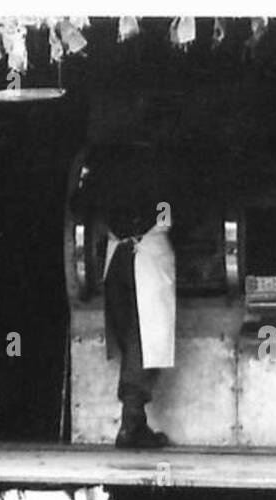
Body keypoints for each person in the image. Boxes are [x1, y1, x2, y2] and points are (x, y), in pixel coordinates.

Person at [90, 143, 177, 448]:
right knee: (146, 336)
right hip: (147, 255)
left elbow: (83, 204)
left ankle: (135, 422)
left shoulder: (107, 171)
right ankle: (130, 423)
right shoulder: (164, 171)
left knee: (131, 337)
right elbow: (177, 211)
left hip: (117, 257)